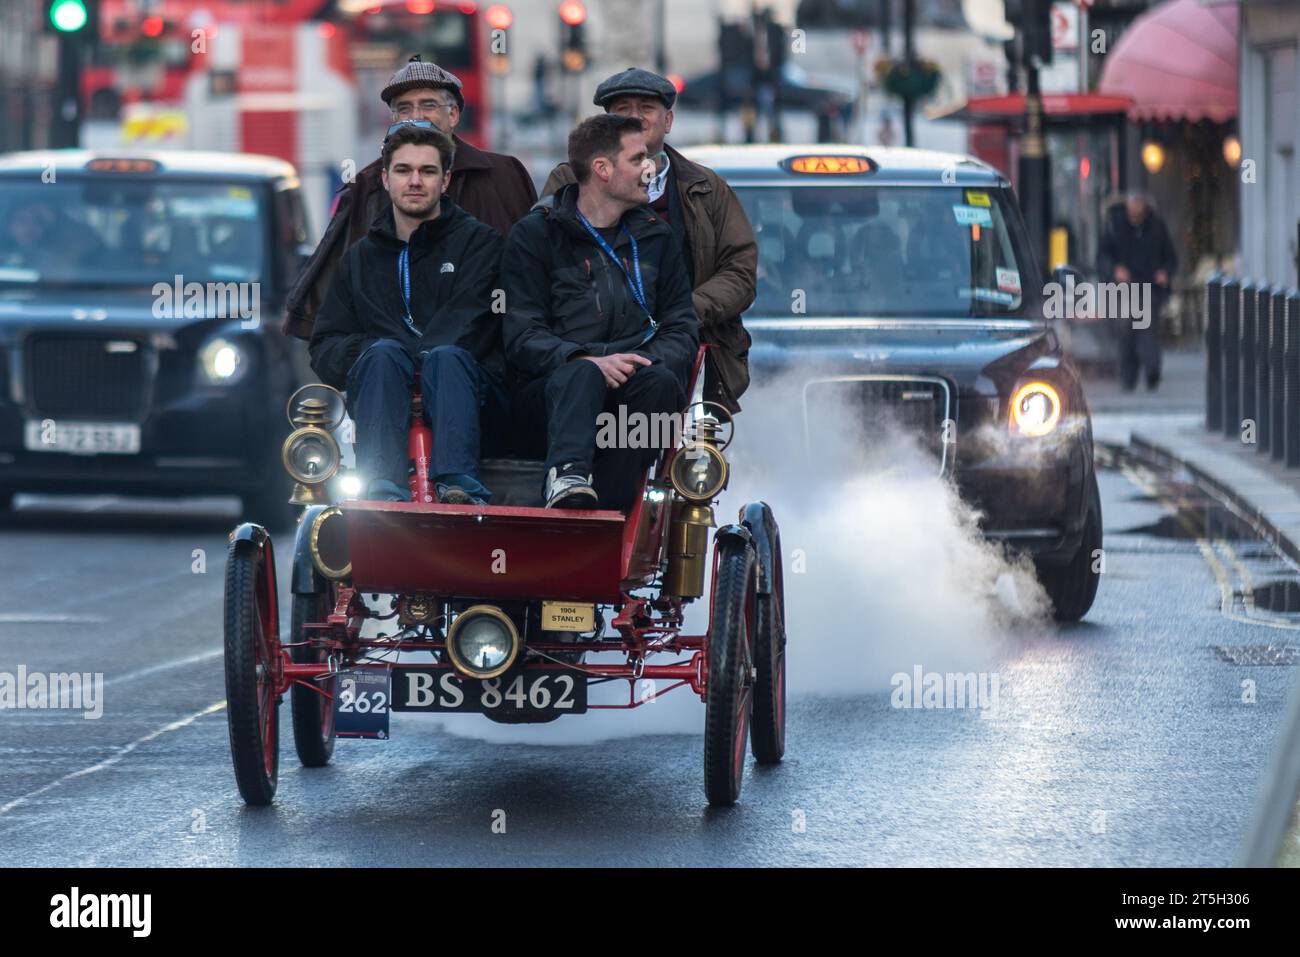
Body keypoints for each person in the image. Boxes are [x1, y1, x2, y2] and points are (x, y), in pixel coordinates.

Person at [505, 114, 699, 510]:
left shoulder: (656, 237)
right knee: (582, 373)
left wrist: (634, 363)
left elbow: (681, 327)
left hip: (628, 402)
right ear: (602, 169)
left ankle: (610, 516)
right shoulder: (535, 235)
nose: (650, 169)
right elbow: (521, 334)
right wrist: (586, 359)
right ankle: (566, 477)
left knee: (661, 383)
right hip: (549, 401)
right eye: (638, 159)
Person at [309, 124, 508, 505]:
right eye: (403, 170)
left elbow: (478, 323)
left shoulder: (480, 244)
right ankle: (382, 490)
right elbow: (325, 347)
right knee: (383, 355)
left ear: (446, 179)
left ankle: (459, 486)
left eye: (427, 171)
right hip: (383, 401)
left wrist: (412, 354)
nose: (415, 181)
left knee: (446, 357)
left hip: (473, 401)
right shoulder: (360, 259)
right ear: (385, 178)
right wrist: (383, 352)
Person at [540, 67, 755, 413]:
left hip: (686, 347)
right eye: (623, 108)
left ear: (668, 120)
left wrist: (685, 311)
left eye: (646, 108)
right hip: (589, 346)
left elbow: (740, 271)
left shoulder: (707, 188)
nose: (635, 117)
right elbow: (539, 255)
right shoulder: (568, 180)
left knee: (687, 459)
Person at [285, 55, 537, 341]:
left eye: (428, 104)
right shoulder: (366, 188)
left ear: (453, 114)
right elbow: (333, 305)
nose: (416, 115)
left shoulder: (505, 176)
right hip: (394, 363)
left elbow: (534, 269)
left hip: (492, 358)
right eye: (404, 108)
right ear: (393, 119)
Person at [1097, 191, 1177, 391]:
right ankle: (1128, 376)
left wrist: (1164, 272)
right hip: (1124, 287)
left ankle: (1152, 371)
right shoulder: (1114, 225)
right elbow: (1103, 256)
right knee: (1127, 331)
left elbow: (1170, 257)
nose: (1135, 212)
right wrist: (1115, 270)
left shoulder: (1156, 226)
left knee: (1147, 328)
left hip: (1149, 285)